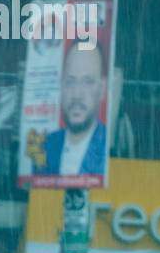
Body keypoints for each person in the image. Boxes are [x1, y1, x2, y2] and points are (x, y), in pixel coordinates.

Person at [34, 39, 108, 178]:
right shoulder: (44, 147)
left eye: (88, 81)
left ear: (102, 89)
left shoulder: (109, 147)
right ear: (61, 86)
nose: (77, 95)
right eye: (70, 81)